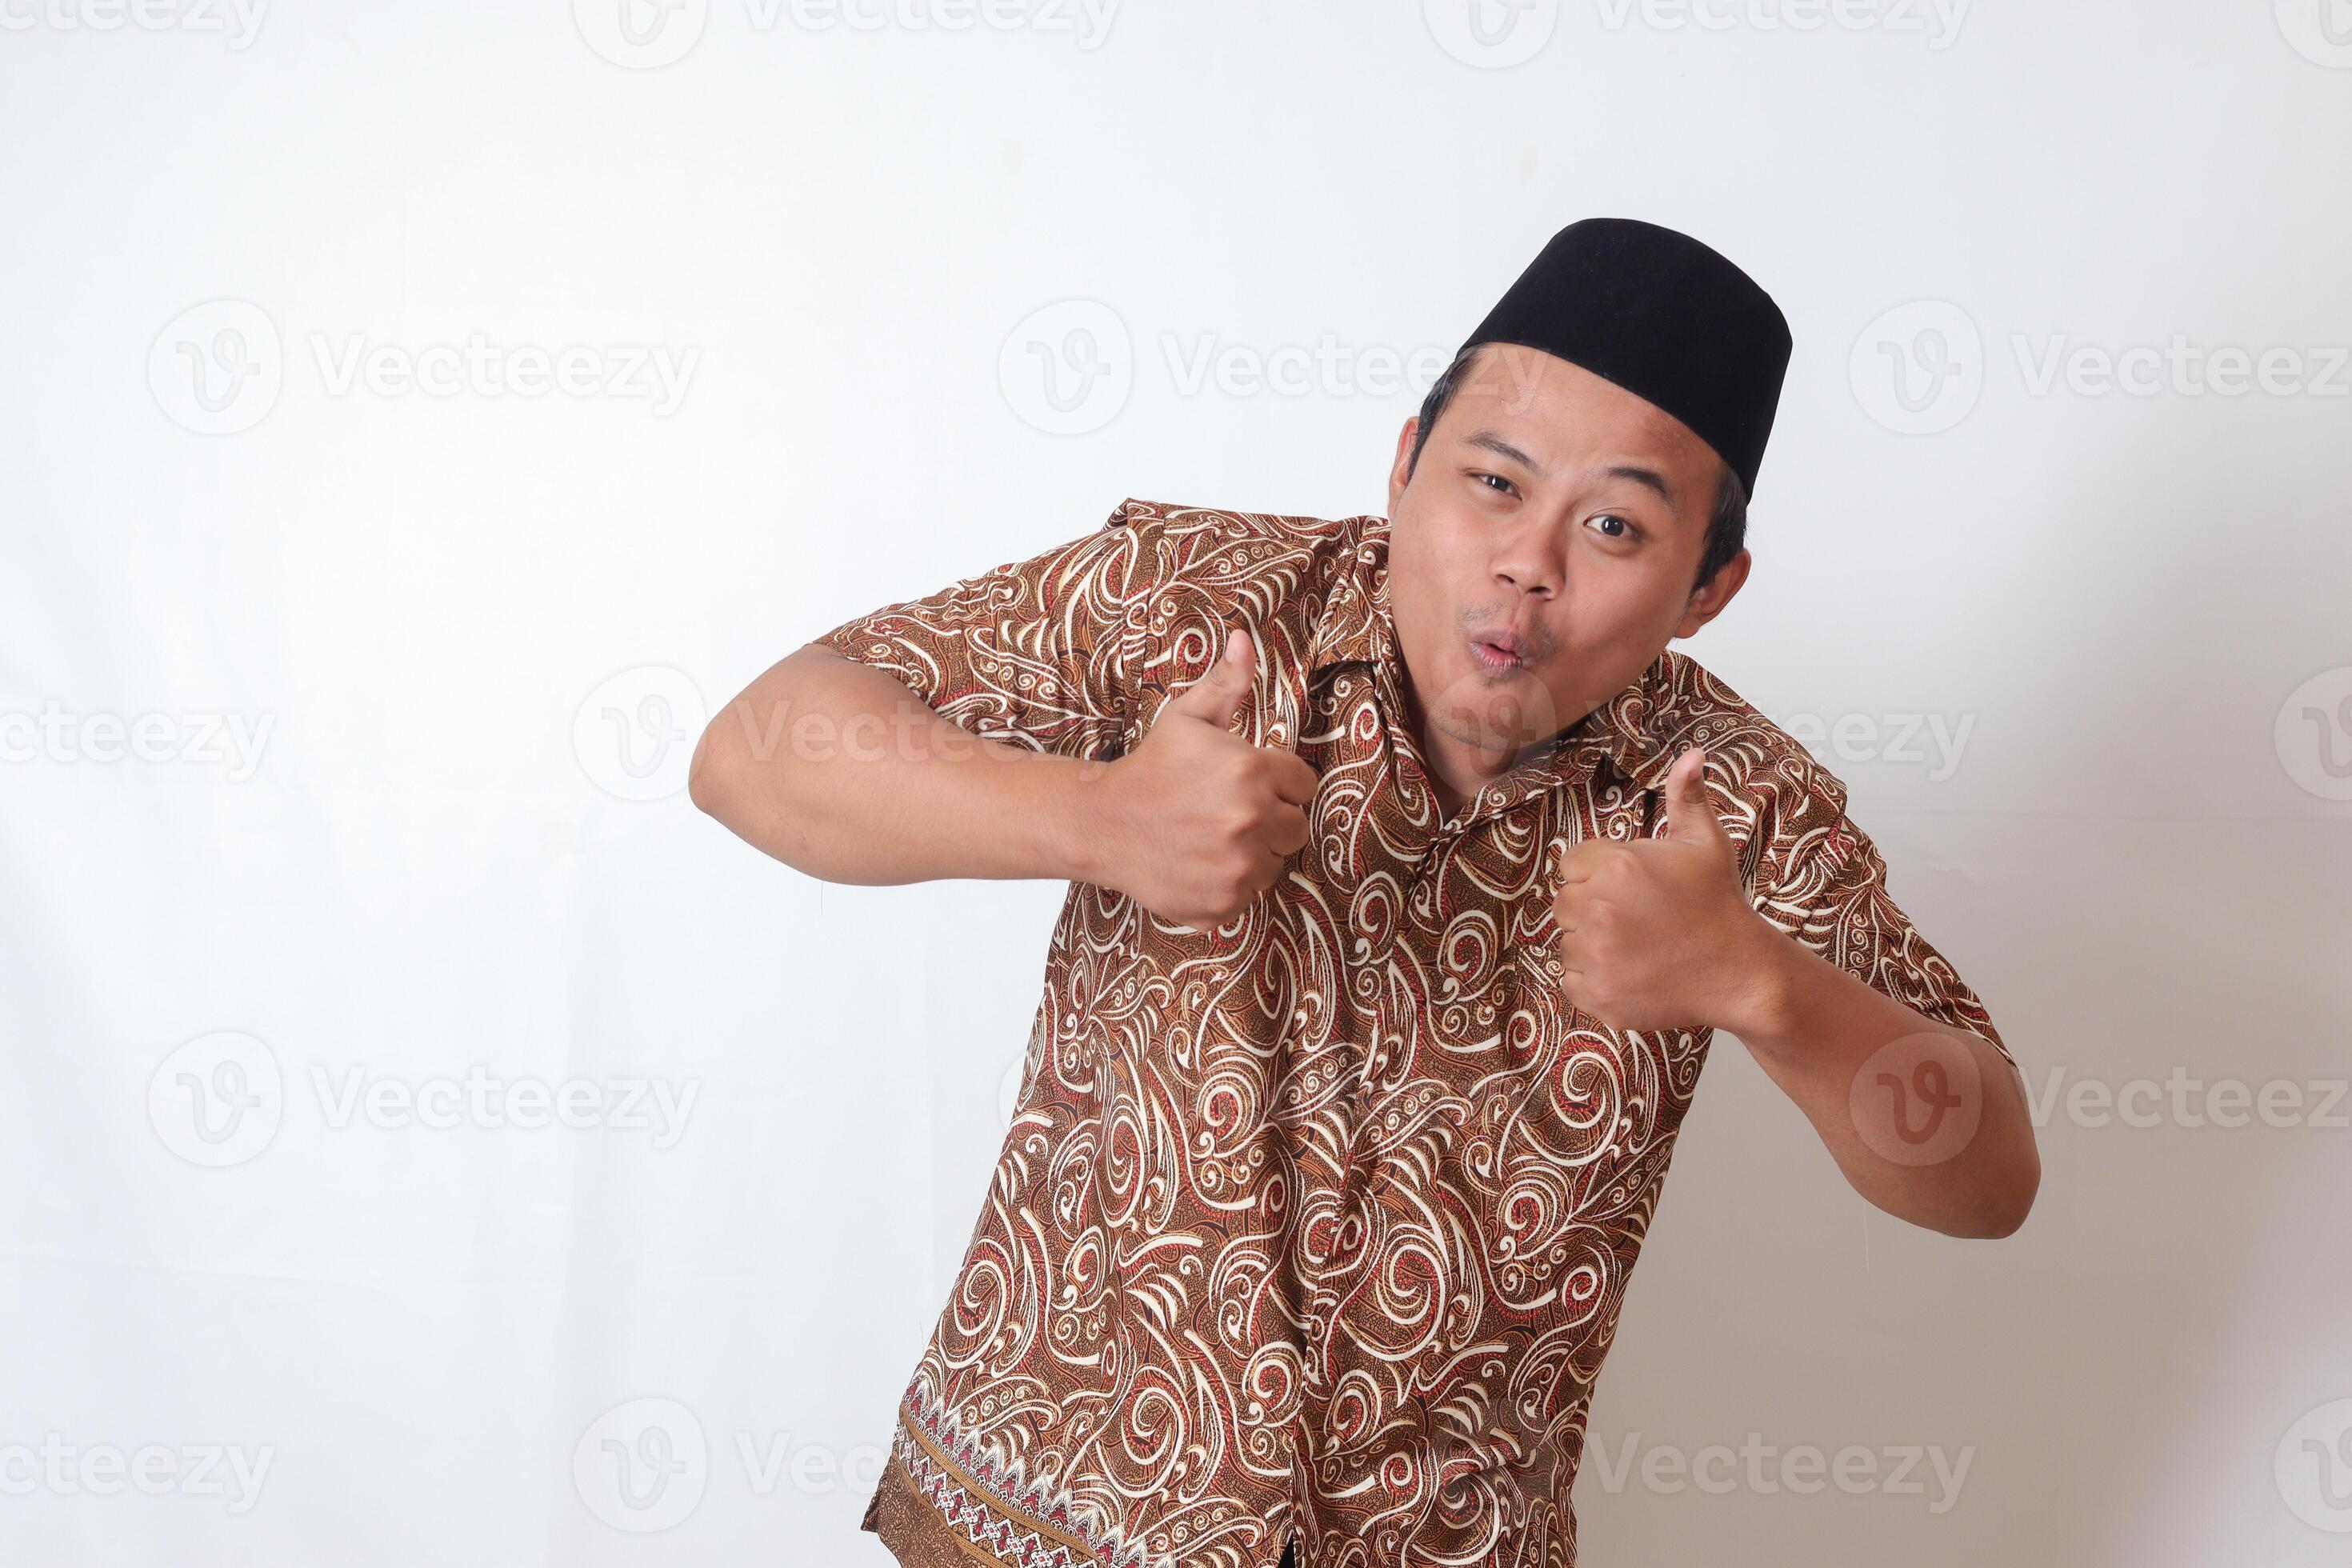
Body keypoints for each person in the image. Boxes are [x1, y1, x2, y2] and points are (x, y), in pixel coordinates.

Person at [689, 217, 2041, 1568]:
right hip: (1051, 1520)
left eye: (1617, 525)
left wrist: (1762, 983)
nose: (1532, 564)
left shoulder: (1736, 807)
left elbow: (1987, 1179)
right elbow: (757, 745)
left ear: (1708, 589)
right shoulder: (1194, 607)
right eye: (1494, 485)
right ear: (1403, 467)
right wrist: (1098, 818)